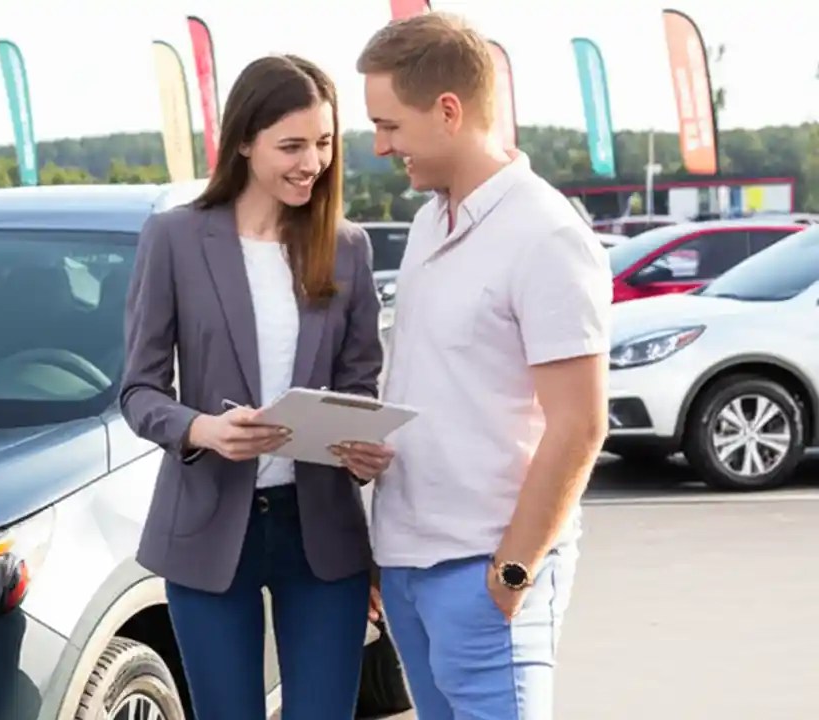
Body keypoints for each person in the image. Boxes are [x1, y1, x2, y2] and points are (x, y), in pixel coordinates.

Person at [119, 54, 394, 719]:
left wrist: (360, 448)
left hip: (321, 532)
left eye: (325, 143)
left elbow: (359, 387)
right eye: (292, 145)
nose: (313, 162)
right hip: (210, 527)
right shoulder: (175, 238)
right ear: (245, 140)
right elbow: (138, 391)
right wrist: (200, 429)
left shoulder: (348, 247)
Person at [357, 12, 612, 720]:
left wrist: (512, 574)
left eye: (390, 125)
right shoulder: (426, 224)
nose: (380, 146)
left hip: (486, 569)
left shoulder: (547, 235)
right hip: (409, 566)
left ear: (448, 111)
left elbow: (581, 423)